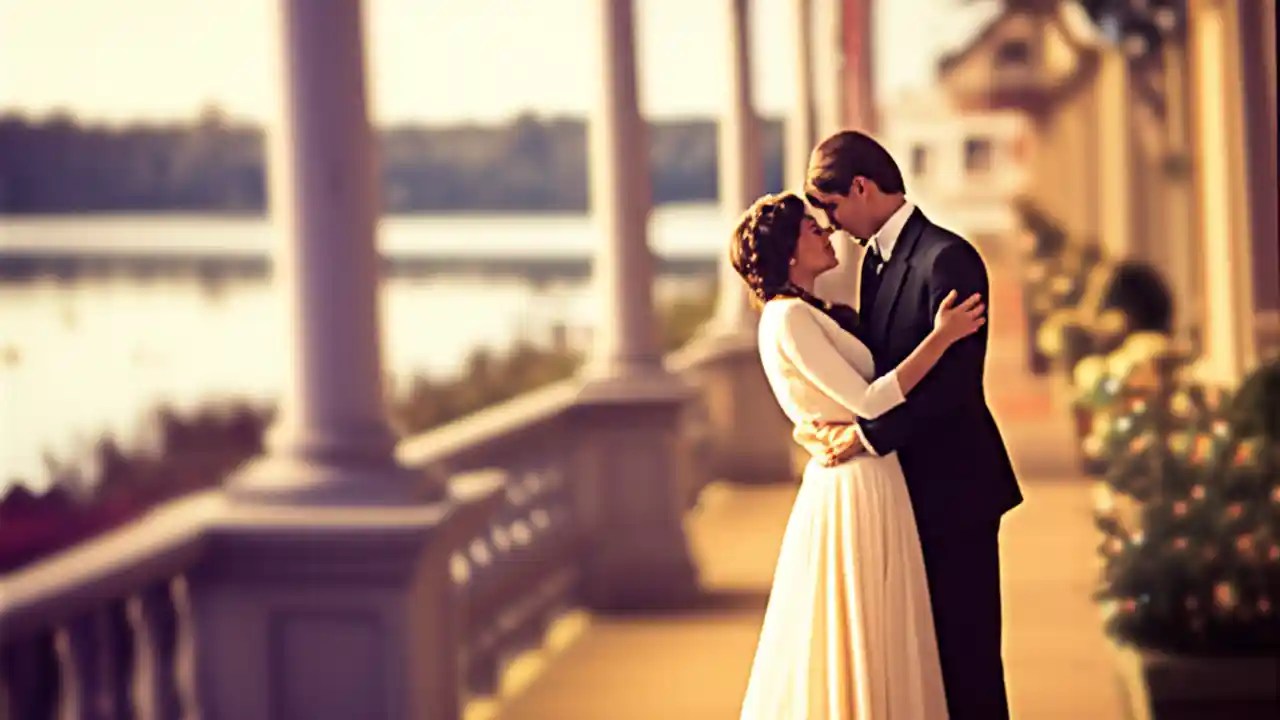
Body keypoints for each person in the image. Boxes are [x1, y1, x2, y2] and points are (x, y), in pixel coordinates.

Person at [730, 191, 986, 719]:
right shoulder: (788, 319)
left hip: (866, 473)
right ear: (789, 251)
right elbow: (869, 400)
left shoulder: (809, 312)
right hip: (853, 483)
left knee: (878, 624)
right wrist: (941, 339)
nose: (826, 233)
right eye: (811, 228)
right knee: (865, 623)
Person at [802, 130, 1024, 719]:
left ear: (860, 187)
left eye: (831, 208)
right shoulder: (874, 260)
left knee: (969, 659)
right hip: (904, 494)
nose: (831, 224)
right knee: (921, 661)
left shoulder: (947, 257)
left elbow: (954, 387)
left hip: (956, 491)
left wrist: (866, 438)